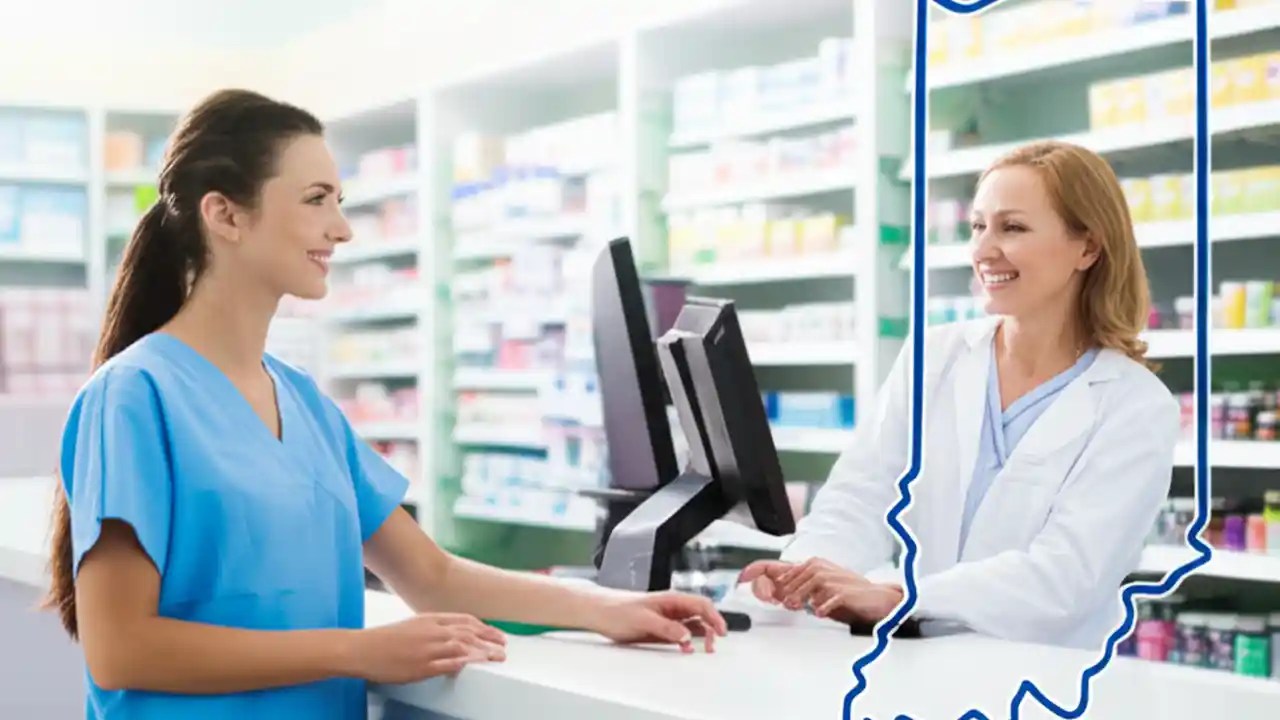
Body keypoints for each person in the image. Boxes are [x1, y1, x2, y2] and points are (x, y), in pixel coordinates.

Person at [46, 88, 728, 720]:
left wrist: (606, 609)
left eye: (339, 201)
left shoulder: (302, 403)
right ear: (224, 214)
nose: (341, 229)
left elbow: (432, 575)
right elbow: (121, 648)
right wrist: (357, 650)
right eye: (316, 199)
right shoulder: (133, 396)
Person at [740, 140, 1180, 650]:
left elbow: (1067, 576)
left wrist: (903, 597)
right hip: (924, 663)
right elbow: (861, 496)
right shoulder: (935, 357)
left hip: (1044, 676)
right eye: (977, 226)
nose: (983, 250)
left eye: (1012, 228)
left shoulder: (1135, 406)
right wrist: (802, 574)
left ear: (1088, 248)